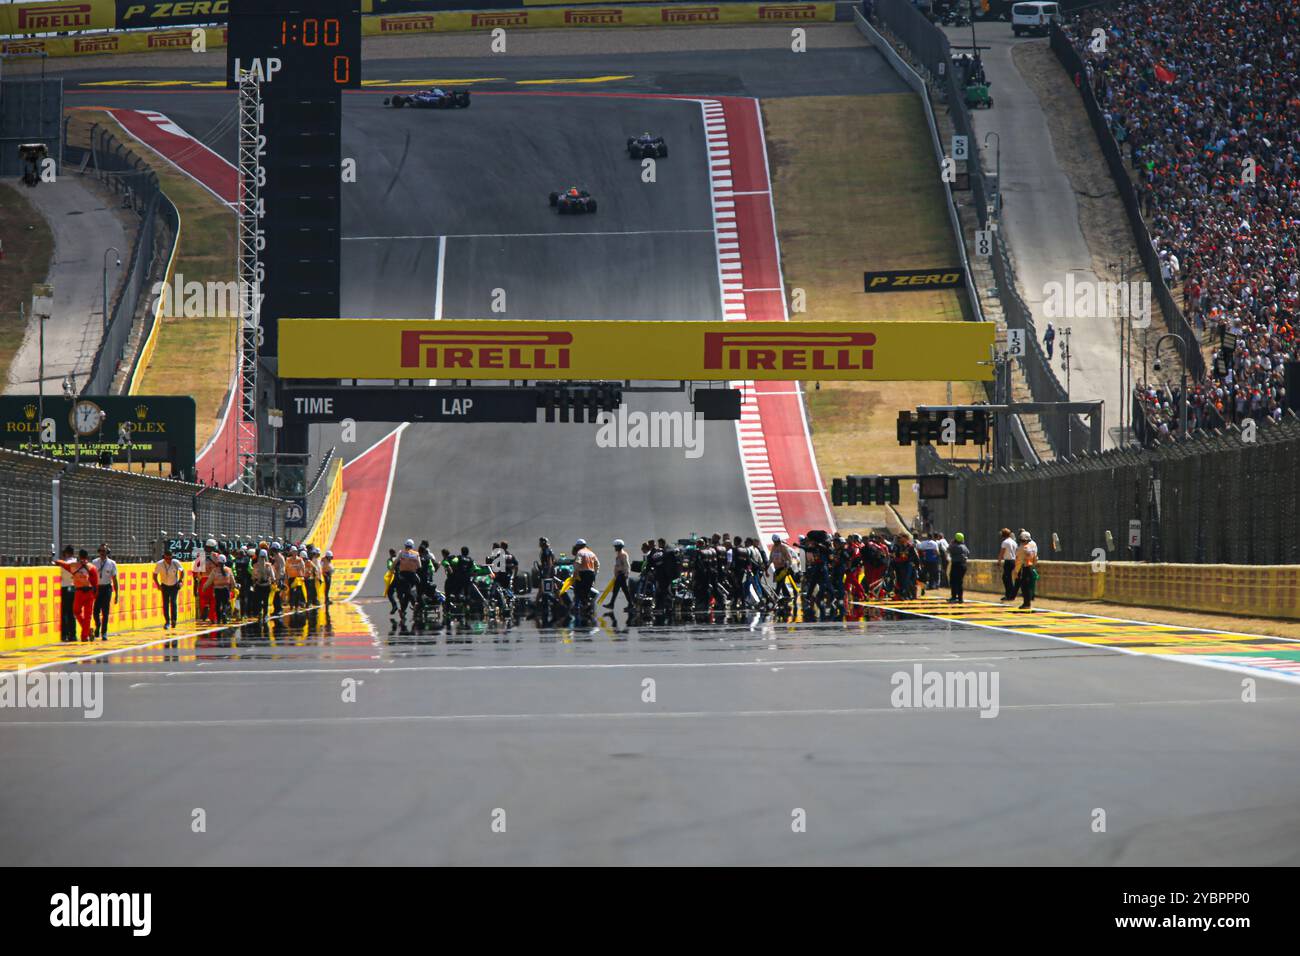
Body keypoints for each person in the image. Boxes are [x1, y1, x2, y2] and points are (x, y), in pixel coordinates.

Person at [54, 549, 99, 641]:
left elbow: (64, 564)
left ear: (79, 556)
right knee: (86, 615)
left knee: (77, 612)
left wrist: (56, 561)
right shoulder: (91, 567)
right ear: (87, 557)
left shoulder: (74, 566)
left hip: (79, 592)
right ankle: (86, 633)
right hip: (88, 593)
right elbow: (95, 584)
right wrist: (95, 595)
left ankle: (85, 635)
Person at [91, 544, 119, 639]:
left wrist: (117, 594)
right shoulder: (94, 562)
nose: (102, 553)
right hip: (97, 588)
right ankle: (98, 625)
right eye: (101, 551)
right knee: (95, 611)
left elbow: (115, 579)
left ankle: (104, 632)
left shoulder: (112, 563)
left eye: (104, 551)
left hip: (107, 588)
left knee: (105, 612)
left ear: (107, 552)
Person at [153, 547, 184, 629]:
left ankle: (174, 620)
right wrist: (158, 585)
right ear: (164, 557)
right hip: (165, 586)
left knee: (173, 602)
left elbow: (182, 571)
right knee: (165, 604)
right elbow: (154, 575)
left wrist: (180, 581)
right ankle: (167, 621)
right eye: (167, 558)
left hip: (174, 585)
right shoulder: (160, 564)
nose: (169, 560)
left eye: (170, 558)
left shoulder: (175, 562)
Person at [394, 539, 421, 617]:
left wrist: (392, 570)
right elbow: (419, 566)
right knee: (406, 593)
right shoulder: (416, 554)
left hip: (404, 576)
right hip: (412, 575)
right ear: (412, 546)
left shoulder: (401, 553)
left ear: (405, 546)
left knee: (407, 592)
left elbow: (395, 562)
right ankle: (403, 610)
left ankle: (414, 603)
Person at [572, 539, 599, 617]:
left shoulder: (580, 553)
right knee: (586, 591)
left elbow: (577, 564)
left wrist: (575, 574)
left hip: (582, 574)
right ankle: (587, 606)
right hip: (591, 574)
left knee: (577, 590)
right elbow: (597, 564)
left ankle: (577, 606)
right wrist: (595, 574)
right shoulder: (591, 553)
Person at [604, 539, 633, 612]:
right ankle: (629, 604)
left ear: (619, 547)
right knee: (621, 590)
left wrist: (626, 574)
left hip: (622, 574)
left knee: (619, 589)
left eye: (616, 546)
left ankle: (613, 604)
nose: (615, 548)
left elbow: (627, 565)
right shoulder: (619, 554)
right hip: (619, 574)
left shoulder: (623, 554)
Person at [207, 554, 235, 624]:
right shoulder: (228, 570)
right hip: (225, 589)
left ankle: (219, 619)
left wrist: (204, 587)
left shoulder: (214, 570)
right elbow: (232, 580)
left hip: (217, 589)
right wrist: (233, 587)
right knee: (225, 603)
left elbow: (209, 581)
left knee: (218, 604)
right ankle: (224, 613)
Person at [1014, 530, 1039, 609]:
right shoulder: (1033, 545)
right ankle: (1028, 602)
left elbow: (1018, 561)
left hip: (1025, 567)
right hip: (1031, 567)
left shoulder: (1022, 548)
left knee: (1024, 586)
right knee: (1030, 585)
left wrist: (1016, 571)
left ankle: (1026, 603)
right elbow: (1036, 557)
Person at [251, 548, 276, 620]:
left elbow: (272, 575)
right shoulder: (256, 565)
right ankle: (260, 613)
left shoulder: (268, 565)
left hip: (266, 585)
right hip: (259, 585)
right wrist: (254, 582)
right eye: (261, 557)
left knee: (265, 600)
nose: (262, 558)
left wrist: (274, 581)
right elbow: (253, 576)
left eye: (263, 557)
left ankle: (265, 614)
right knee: (258, 600)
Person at [947, 532, 970, 603]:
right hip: (963, 565)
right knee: (960, 582)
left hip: (956, 565)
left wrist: (951, 543)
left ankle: (954, 597)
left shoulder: (954, 546)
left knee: (953, 581)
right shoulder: (964, 547)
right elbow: (968, 552)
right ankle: (960, 598)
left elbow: (948, 549)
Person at [998, 528, 1018, 601]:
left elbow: (1002, 552)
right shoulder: (1014, 542)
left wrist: (999, 561)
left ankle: (1009, 595)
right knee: (1008, 578)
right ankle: (1010, 594)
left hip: (1008, 561)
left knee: (1006, 578)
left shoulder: (1005, 542)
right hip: (1014, 560)